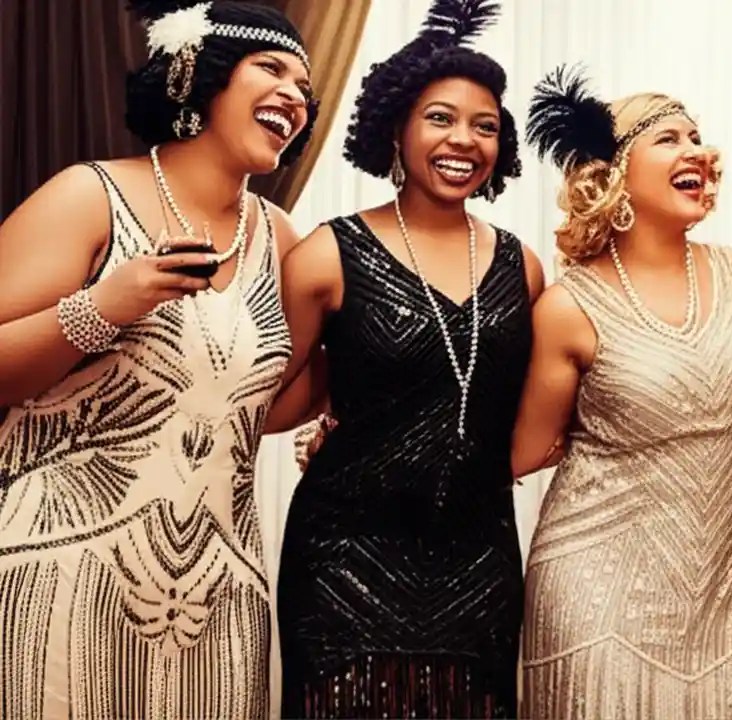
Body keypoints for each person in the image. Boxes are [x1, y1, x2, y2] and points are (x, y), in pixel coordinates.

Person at [0, 0, 315, 717]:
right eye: (272, 69)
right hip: (59, 573)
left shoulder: (283, 238)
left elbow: (254, 409)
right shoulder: (90, 195)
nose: (295, 97)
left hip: (217, 593)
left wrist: (346, 401)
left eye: (305, 88)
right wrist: (105, 306)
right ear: (197, 76)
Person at [269, 1, 541, 717]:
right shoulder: (328, 253)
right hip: (345, 556)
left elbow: (528, 411)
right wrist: (335, 409)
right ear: (396, 129)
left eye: (485, 126)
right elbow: (265, 398)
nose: (464, 140)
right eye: (440, 118)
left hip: (479, 557)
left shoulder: (524, 266)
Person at [512, 65, 732, 719]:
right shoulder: (568, 305)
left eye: (698, 138)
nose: (698, 150)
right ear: (613, 173)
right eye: (669, 139)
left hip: (726, 602)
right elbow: (524, 451)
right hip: (595, 598)